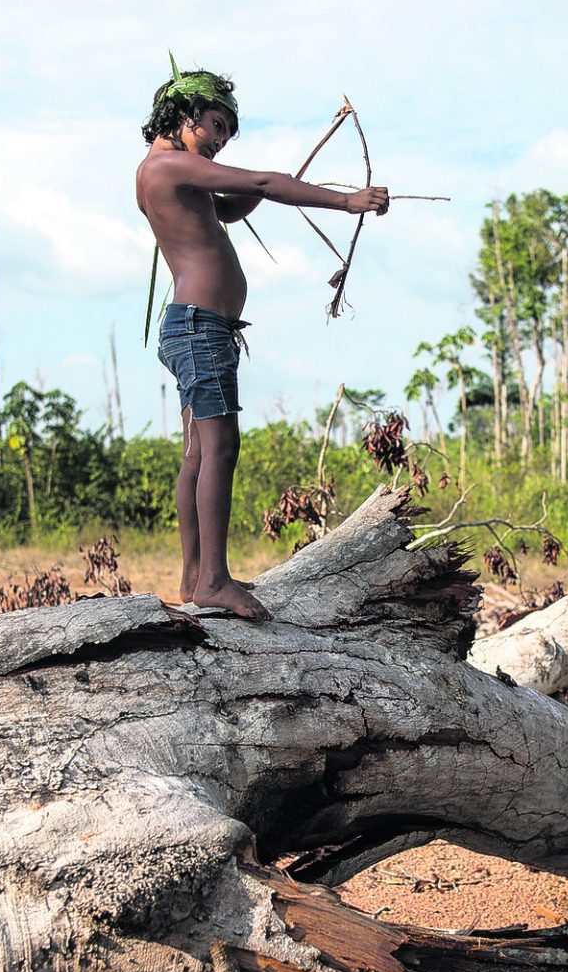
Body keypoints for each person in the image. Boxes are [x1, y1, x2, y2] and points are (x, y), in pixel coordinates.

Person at [136, 66, 388, 620]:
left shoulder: (170, 174)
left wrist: (277, 185)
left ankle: (195, 576)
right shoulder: (166, 165)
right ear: (183, 116)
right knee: (219, 447)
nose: (220, 140)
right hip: (199, 326)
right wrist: (347, 201)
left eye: (227, 133)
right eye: (215, 126)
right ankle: (213, 581)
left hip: (198, 326)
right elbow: (261, 184)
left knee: (198, 452)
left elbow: (233, 203)